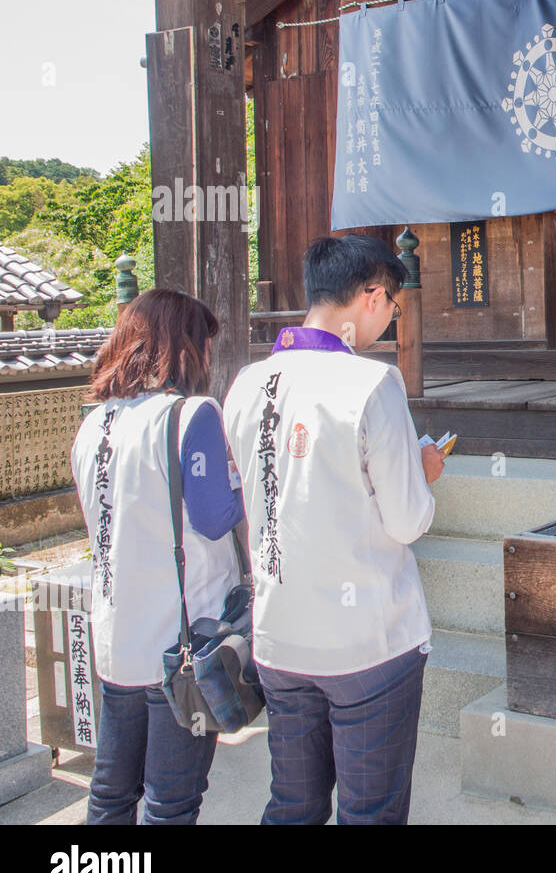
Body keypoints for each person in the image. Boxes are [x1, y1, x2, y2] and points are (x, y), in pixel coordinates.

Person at [223, 234, 445, 825]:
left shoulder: (245, 384)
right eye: (394, 306)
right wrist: (422, 476)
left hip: (278, 639)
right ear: (372, 296)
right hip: (367, 643)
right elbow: (408, 520)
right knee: (369, 811)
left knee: (292, 805)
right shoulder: (372, 385)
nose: (391, 319)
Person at [69, 288, 245, 825]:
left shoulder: (93, 423)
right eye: (205, 345)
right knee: (172, 801)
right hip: (182, 645)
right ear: (185, 348)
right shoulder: (191, 416)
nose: (210, 359)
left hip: (117, 637)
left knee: (111, 793)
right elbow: (217, 518)